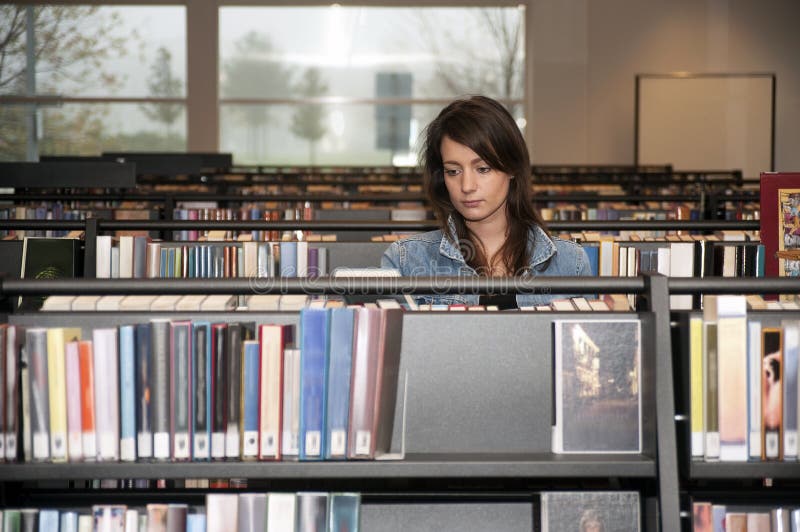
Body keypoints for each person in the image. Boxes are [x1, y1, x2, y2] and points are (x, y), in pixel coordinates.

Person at [381, 95, 591, 308]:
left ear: (511, 168)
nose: (467, 186)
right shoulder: (405, 261)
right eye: (453, 171)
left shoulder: (570, 262)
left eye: (483, 169)